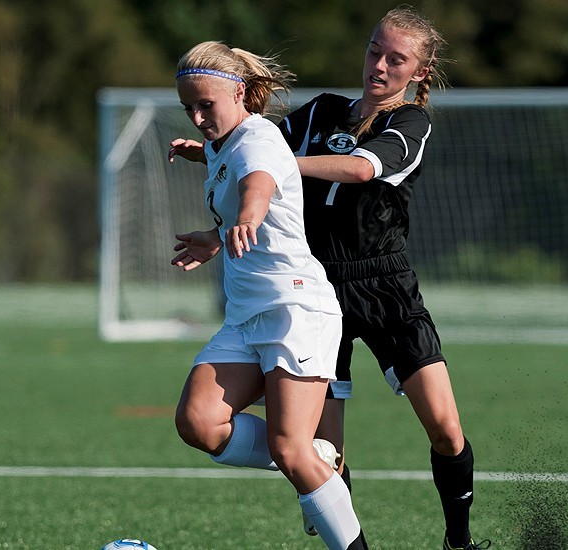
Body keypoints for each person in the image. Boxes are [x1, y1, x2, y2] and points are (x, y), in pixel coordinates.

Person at [172, 7, 490, 550]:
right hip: (317, 280)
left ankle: (458, 542)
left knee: (444, 427)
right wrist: (218, 160)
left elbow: (360, 168)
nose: (380, 65)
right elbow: (252, 148)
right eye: (374, 50)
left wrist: (269, 161)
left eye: (397, 59)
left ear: (419, 71)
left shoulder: (410, 122)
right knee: (319, 451)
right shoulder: (322, 112)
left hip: (382, 286)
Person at [167, 41, 368, 550]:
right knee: (199, 422)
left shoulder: (256, 136)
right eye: (188, 107)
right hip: (247, 315)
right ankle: (314, 458)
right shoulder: (221, 143)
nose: (196, 117)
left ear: (239, 93)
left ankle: (319, 479)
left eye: (205, 105)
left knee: (289, 447)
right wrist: (219, 234)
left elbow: (259, 184)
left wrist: (248, 217)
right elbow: (243, 186)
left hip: (293, 309)